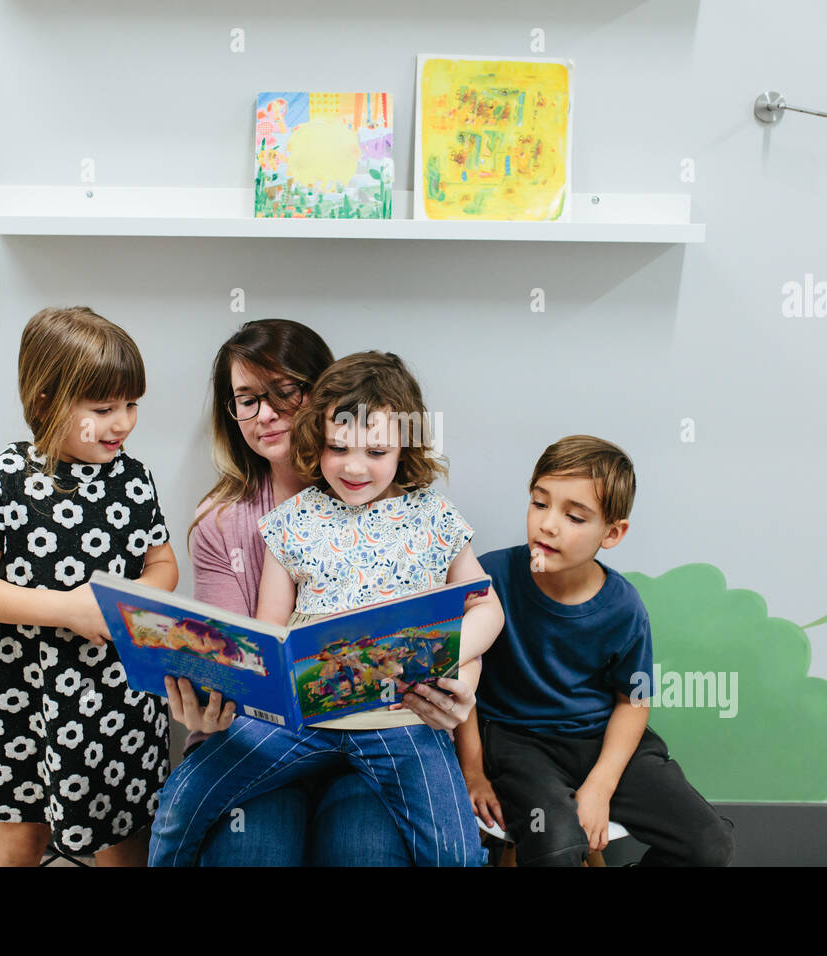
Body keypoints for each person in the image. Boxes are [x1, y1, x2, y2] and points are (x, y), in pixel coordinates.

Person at [149, 351, 503, 867]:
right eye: (337, 448)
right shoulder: (290, 521)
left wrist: (452, 657)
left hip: (401, 719)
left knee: (457, 853)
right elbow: (269, 631)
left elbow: (487, 606)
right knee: (182, 797)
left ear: (405, 445)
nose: (354, 467)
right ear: (316, 440)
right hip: (301, 716)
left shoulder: (433, 513)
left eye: (376, 451)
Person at [0, 306, 178, 866]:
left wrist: (132, 601)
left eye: (131, 406)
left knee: (123, 830)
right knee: (20, 831)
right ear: (47, 401)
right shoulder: (3, 478)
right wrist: (66, 609)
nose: (122, 423)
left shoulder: (134, 478)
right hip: (29, 693)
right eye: (103, 409)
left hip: (121, 696)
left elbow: (163, 564)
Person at [457, 435, 735, 866]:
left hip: (600, 739)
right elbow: (463, 679)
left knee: (709, 844)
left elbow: (634, 702)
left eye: (573, 516)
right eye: (539, 504)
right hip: (518, 743)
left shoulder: (624, 606)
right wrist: (472, 772)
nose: (548, 524)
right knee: (557, 846)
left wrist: (601, 785)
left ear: (612, 532)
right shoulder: (491, 576)